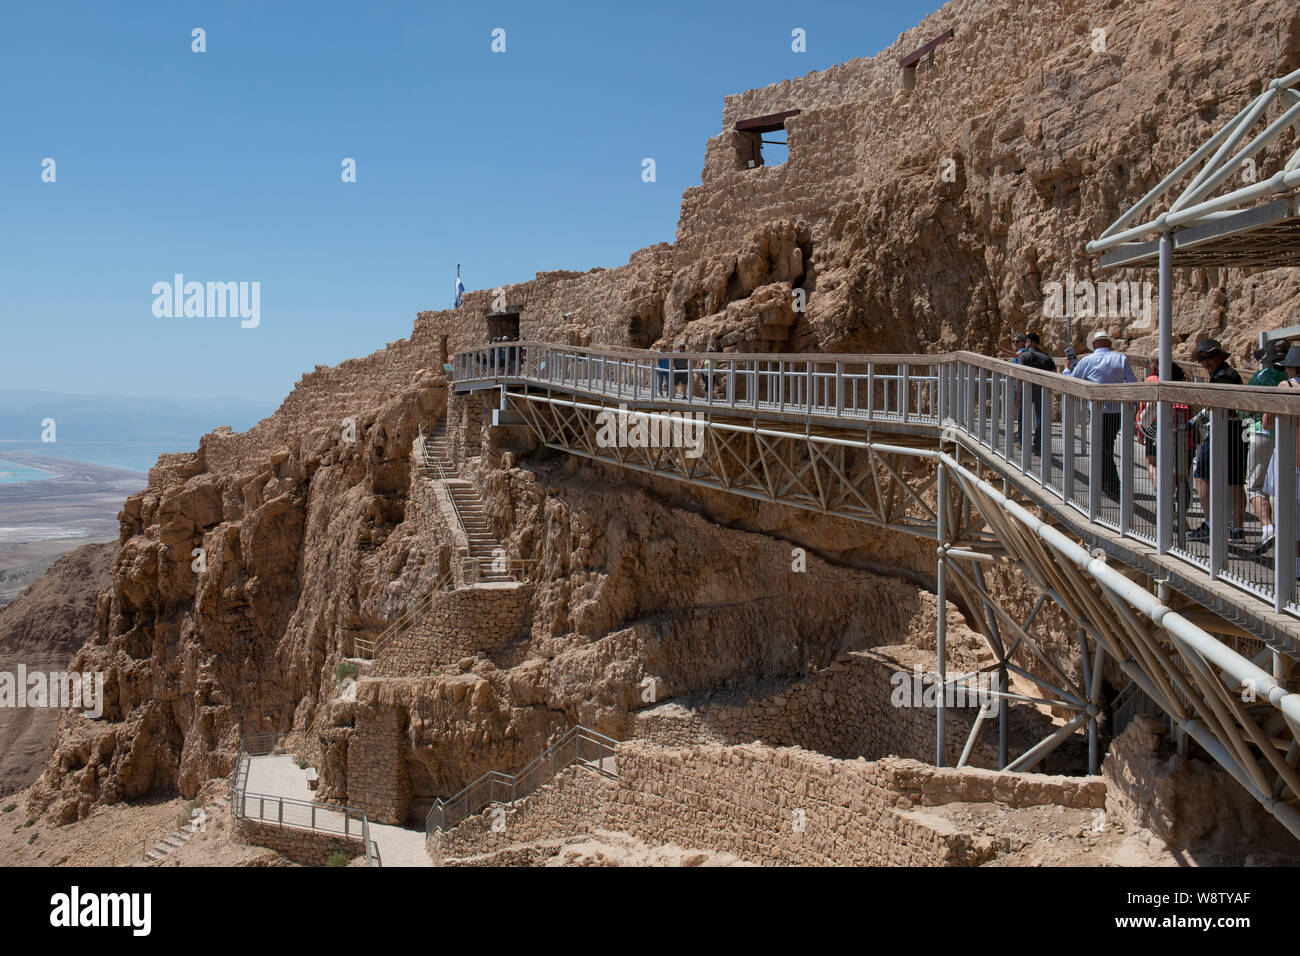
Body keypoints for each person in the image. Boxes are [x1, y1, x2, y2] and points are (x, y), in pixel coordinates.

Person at [1187, 339, 1247, 543]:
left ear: (1220, 355)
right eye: (1202, 359)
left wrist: (1195, 421)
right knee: (1235, 481)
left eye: (1208, 357)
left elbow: (1217, 406)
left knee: (1202, 474)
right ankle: (1237, 529)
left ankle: (1211, 524)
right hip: (1236, 429)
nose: (1205, 362)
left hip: (1224, 428)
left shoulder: (1222, 377)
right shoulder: (1226, 374)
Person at [1065, 330, 1136, 501]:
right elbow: (1132, 382)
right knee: (1106, 446)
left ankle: (1112, 485)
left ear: (1094, 345)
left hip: (1098, 411)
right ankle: (1107, 483)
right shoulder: (1121, 358)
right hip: (1117, 410)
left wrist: (1067, 370)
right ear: (1109, 344)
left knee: (1102, 448)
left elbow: (1074, 380)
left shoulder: (1088, 360)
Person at [1136, 356, 1194, 530]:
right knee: (1183, 478)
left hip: (1159, 433)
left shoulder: (1152, 381)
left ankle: (1167, 508)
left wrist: (1141, 431)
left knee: (1158, 469)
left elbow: (1144, 409)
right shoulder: (1186, 385)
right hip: (1186, 436)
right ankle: (1182, 517)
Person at [1261, 345, 1300, 576]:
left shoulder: (1286, 386)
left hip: (1289, 457)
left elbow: (1266, 422)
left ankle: (1292, 568)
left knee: (1289, 515)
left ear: (1290, 367)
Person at [1245, 340, 1287, 554]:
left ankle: (1268, 527)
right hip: (1287, 433)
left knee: (1255, 485)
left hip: (1262, 431)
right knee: (1283, 484)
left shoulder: (1262, 376)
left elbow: (1246, 402)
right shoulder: (1290, 378)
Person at [1017, 332, 1056, 455]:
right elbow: (1054, 373)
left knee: (1023, 415)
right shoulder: (1047, 357)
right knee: (1041, 417)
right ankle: (1038, 446)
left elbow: (1020, 374)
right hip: (1042, 390)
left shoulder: (1024, 356)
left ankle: (1022, 443)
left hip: (1027, 388)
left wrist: (1018, 391)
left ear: (1028, 342)